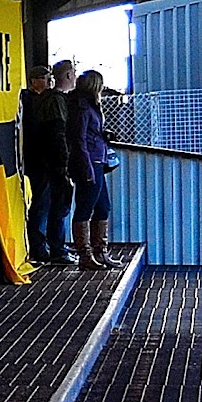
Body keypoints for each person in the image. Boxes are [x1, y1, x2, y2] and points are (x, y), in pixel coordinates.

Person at [67, 68, 120, 270]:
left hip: (95, 161)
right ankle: (86, 255)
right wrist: (86, 167)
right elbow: (78, 139)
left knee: (102, 206)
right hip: (89, 163)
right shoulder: (82, 106)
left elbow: (84, 134)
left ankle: (100, 252)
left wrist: (102, 134)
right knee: (85, 208)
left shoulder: (86, 105)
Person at [21, 66, 62, 264]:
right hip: (38, 159)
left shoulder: (37, 101)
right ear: (34, 80)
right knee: (40, 204)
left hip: (40, 159)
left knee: (42, 203)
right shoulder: (29, 101)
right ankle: (38, 247)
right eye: (46, 78)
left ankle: (41, 245)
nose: (49, 82)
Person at [45, 60, 77, 263]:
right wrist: (65, 163)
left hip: (52, 161)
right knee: (60, 206)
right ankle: (58, 250)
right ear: (67, 76)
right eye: (73, 73)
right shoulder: (57, 101)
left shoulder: (50, 99)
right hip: (57, 163)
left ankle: (58, 247)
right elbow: (58, 134)